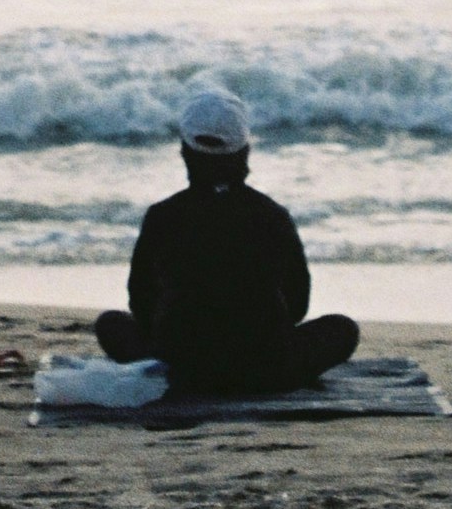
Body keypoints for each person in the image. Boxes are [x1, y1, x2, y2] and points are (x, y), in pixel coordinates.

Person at [97, 86, 360, 397]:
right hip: (265, 369)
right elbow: (298, 305)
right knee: (343, 329)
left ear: (185, 152)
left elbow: (140, 301)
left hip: (181, 366)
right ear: (245, 152)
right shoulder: (272, 215)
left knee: (110, 324)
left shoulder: (162, 216)